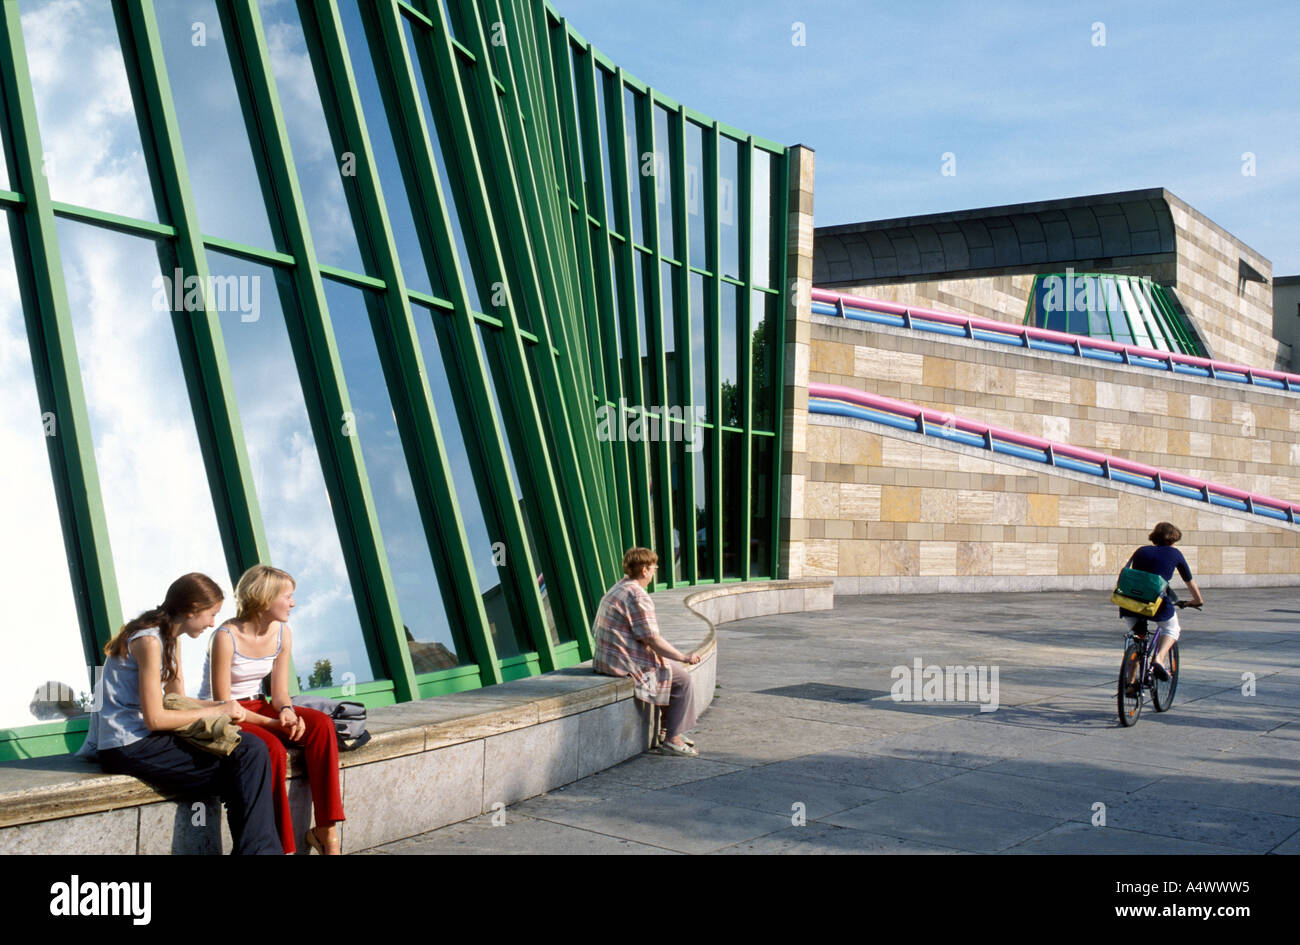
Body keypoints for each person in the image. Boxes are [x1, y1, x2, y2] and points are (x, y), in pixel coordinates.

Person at [84, 572, 281, 855]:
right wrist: (218, 712)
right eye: (211, 614)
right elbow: (156, 718)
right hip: (128, 745)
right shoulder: (149, 641)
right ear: (192, 610)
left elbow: (176, 700)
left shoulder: (168, 638)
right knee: (246, 762)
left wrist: (217, 707)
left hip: (148, 738)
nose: (213, 623)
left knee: (249, 753)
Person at [200, 565, 345, 855]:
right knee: (271, 750)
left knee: (322, 726)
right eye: (287, 596)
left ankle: (326, 832)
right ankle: (283, 847)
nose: (293, 603)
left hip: (260, 704)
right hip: (226, 713)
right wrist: (271, 724)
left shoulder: (283, 633)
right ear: (264, 598)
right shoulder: (225, 637)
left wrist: (287, 711)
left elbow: (278, 692)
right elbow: (223, 705)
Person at [592, 548, 701, 756]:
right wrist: (684, 657)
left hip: (607, 657)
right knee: (682, 680)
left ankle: (669, 728)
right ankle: (672, 739)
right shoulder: (637, 595)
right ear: (644, 570)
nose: (654, 572)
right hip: (623, 662)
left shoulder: (619, 587)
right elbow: (651, 638)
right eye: (653, 568)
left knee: (668, 672)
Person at [1119, 522, 1204, 691]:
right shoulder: (1175, 553)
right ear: (1174, 538)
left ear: (1154, 536)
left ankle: (1130, 684)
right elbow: (1189, 581)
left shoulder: (1141, 550)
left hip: (1130, 602)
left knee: (1137, 638)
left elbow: (1126, 571)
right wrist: (1197, 600)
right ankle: (1158, 659)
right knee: (1172, 629)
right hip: (1156, 603)